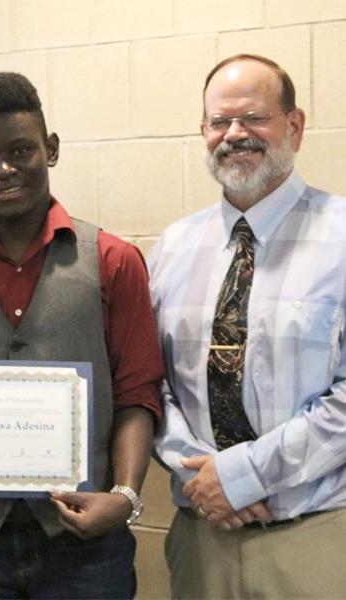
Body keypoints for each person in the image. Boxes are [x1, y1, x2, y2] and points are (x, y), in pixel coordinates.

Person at [0, 72, 164, 598]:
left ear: (52, 149)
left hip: (85, 545)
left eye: (20, 150)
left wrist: (126, 495)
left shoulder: (114, 261)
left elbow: (137, 394)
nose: (3, 170)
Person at [149, 53, 346, 599]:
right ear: (203, 132)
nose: (235, 135)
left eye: (254, 117)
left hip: (315, 535)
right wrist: (199, 476)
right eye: (219, 122)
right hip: (201, 535)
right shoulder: (173, 247)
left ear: (295, 125)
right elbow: (149, 383)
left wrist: (243, 476)